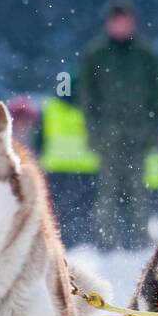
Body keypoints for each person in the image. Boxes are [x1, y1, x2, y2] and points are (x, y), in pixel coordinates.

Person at [79, 0, 158, 251]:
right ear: (108, 24)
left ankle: (138, 240)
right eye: (116, 21)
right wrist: (94, 132)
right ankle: (106, 241)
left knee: (138, 190)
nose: (120, 26)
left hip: (138, 134)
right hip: (108, 135)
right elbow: (88, 98)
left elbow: (156, 97)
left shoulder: (145, 54)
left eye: (124, 21)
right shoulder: (96, 55)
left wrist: (151, 131)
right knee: (107, 191)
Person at [35, 93, 100, 248]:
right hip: (86, 168)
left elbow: (38, 139)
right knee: (85, 210)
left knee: (59, 211)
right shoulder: (92, 106)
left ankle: (61, 243)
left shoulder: (50, 107)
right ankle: (85, 243)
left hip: (57, 167)